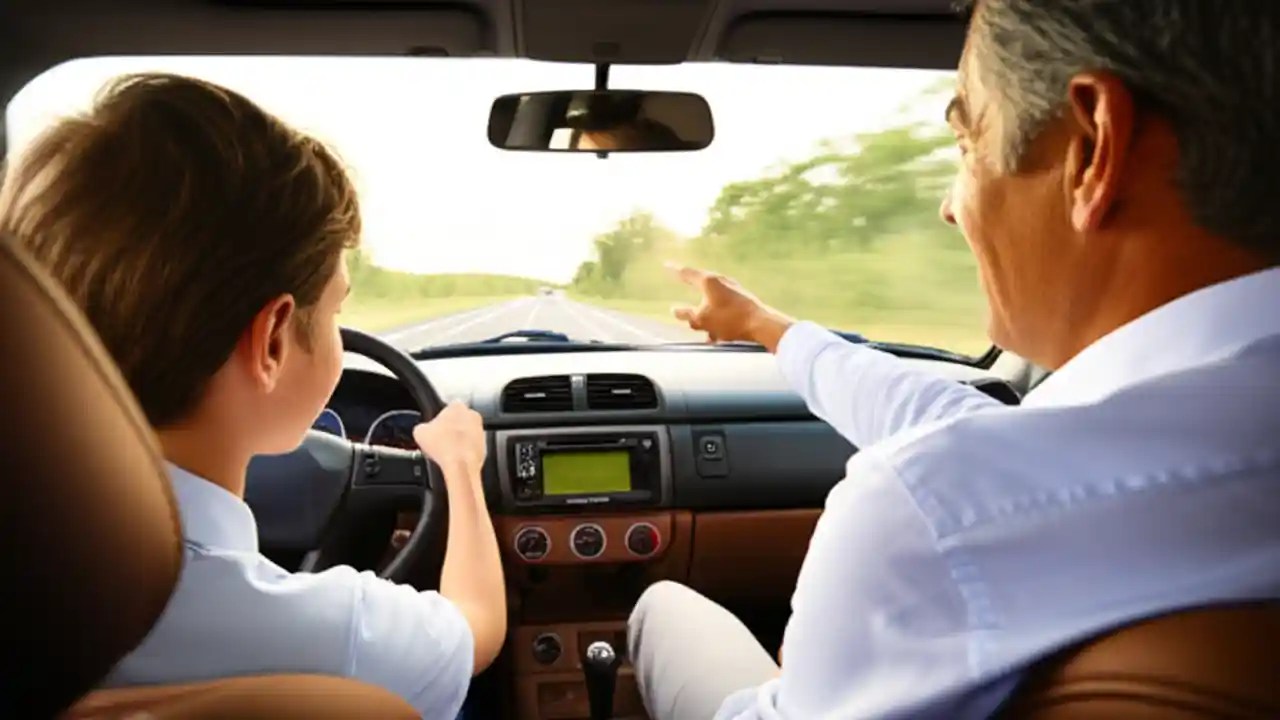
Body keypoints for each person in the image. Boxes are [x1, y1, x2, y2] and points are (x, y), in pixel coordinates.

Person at [628, 1, 1280, 718]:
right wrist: (768, 328)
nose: (948, 205)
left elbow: (961, 463)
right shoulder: (1159, 446)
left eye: (968, 145)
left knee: (662, 608)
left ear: (1092, 150)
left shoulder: (933, 515)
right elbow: (967, 424)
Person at [0, 73, 504, 720]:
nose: (338, 340)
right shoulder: (329, 635)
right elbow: (478, 628)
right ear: (270, 341)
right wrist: (459, 469)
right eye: (335, 313)